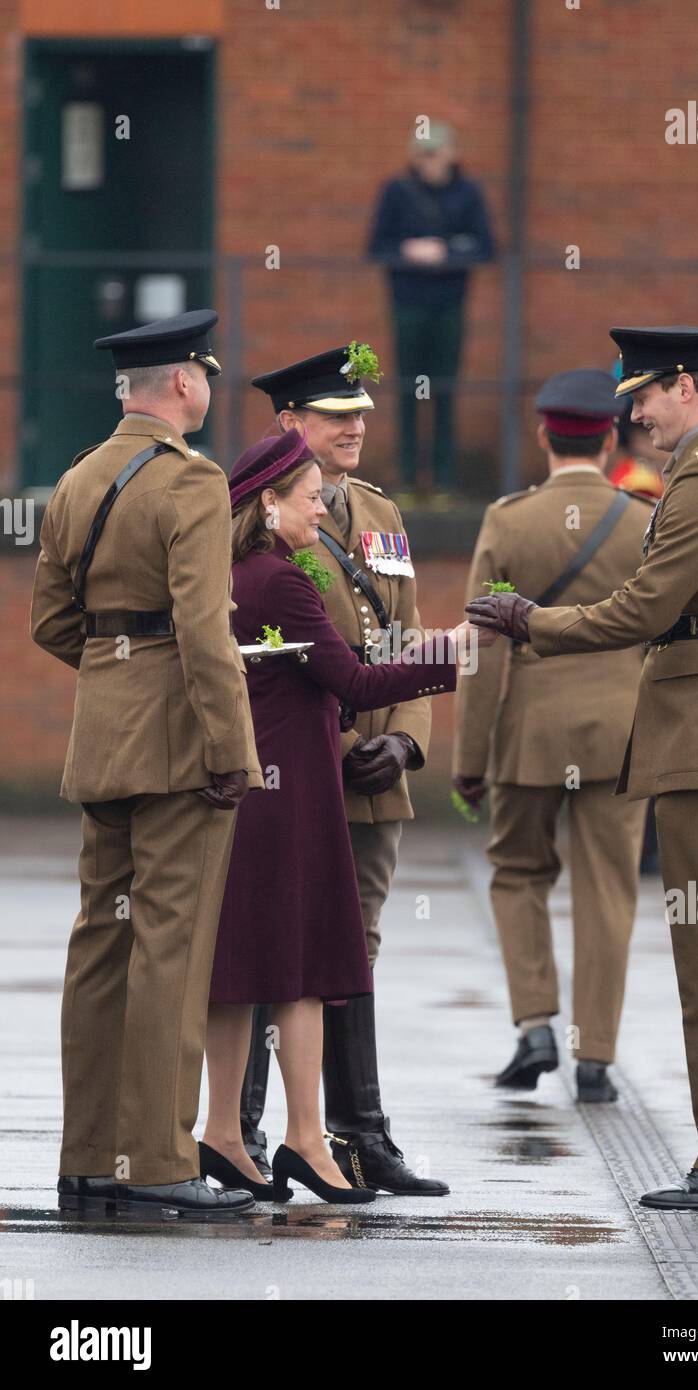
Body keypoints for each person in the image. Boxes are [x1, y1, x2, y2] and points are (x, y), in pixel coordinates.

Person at [467, 326, 698, 1212]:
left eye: (644, 396)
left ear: (686, 387)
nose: (635, 415)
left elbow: (645, 606)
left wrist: (532, 623)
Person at [200, 429, 489, 1204]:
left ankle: (225, 1137)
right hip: (293, 788)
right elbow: (355, 680)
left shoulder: (235, 571)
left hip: (257, 784)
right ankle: (303, 1139)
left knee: (241, 971)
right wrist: (453, 650)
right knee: (304, 967)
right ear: (268, 503)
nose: (320, 511)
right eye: (306, 499)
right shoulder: (285, 579)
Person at [30, 310, 261, 1217]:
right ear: (182, 383)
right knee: (172, 947)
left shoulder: (79, 477)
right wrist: (231, 747)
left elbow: (54, 623)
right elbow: (207, 631)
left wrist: (119, 675)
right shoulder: (193, 483)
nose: (208, 386)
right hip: (177, 746)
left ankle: (89, 1157)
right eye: (204, 373)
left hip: (105, 737)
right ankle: (160, 1161)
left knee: (101, 944)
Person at [240, 344, 452, 1196]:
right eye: (337, 415)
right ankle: (249, 1137)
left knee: (351, 951)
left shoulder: (380, 514)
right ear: (291, 424)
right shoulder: (259, 512)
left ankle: (360, 1133)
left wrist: (404, 741)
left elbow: (404, 634)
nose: (357, 426)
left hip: (375, 771)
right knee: (272, 949)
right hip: (300, 767)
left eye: (361, 412)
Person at [453, 369, 651, 1101]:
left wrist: (470, 758)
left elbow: (483, 647)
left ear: (544, 434)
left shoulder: (508, 520)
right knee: (609, 892)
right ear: (609, 437)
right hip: (620, 731)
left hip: (530, 731)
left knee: (517, 874)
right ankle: (595, 1055)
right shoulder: (642, 518)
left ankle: (535, 1024)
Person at [367, 121, 495, 502]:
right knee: (409, 390)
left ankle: (442, 482)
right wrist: (409, 251)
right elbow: (377, 246)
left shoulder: (468, 193)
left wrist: (446, 253)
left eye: (436, 153)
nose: (430, 161)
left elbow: (485, 247)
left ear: (452, 154)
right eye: (423, 153)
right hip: (407, 305)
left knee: (443, 390)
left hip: (449, 307)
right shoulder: (396, 191)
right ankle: (407, 479)